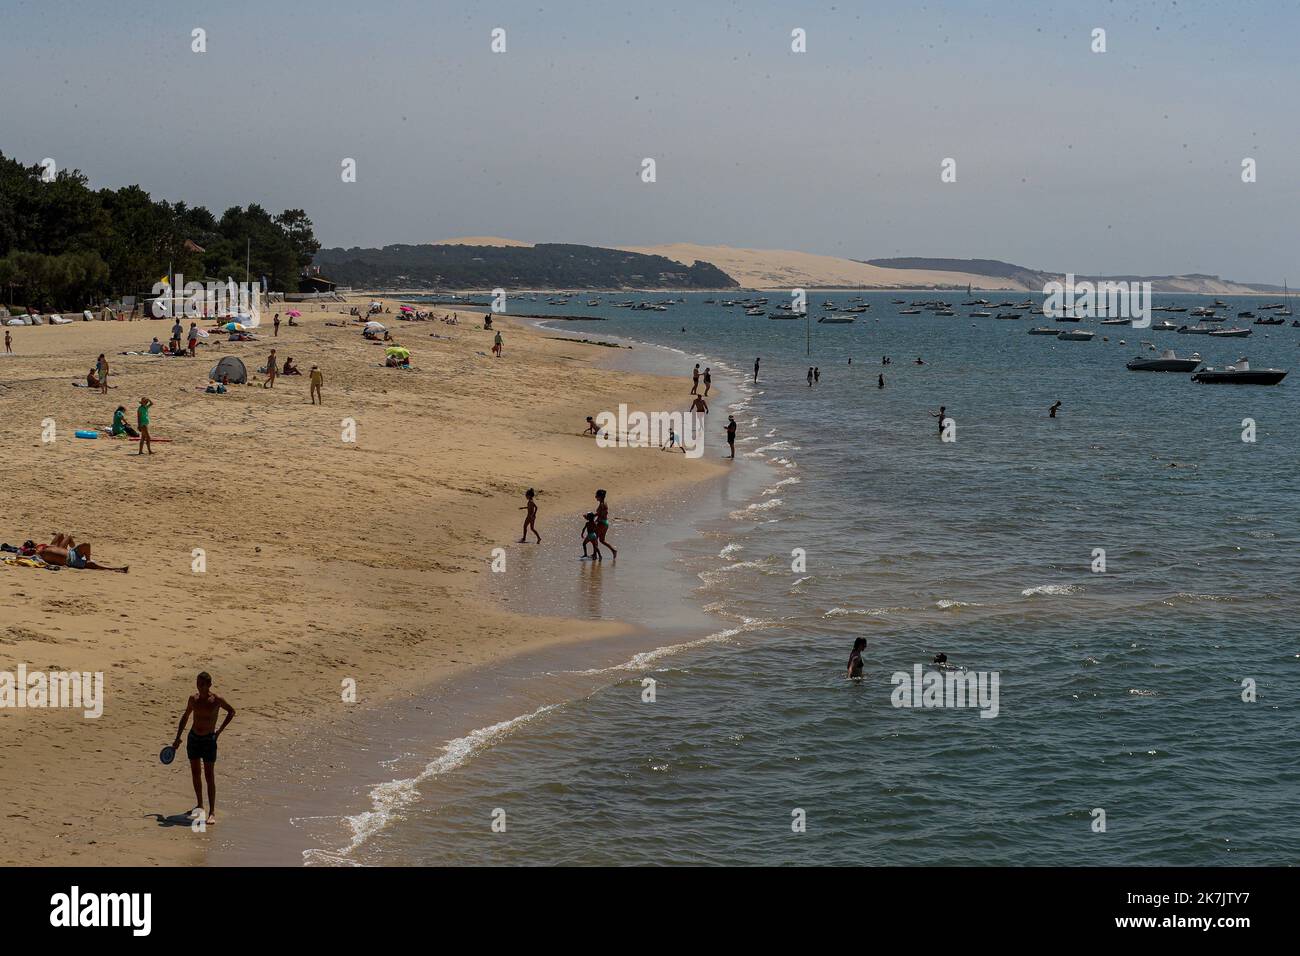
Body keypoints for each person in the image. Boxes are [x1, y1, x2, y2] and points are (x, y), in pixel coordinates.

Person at [171, 672, 235, 826]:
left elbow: (232, 712)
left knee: (209, 775)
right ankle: (200, 805)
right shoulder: (193, 699)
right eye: (198, 683)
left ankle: (212, 812)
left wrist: (219, 731)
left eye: (202, 684)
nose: (199, 686)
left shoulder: (216, 700)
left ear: (209, 685)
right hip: (193, 738)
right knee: (195, 773)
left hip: (208, 740)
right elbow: (186, 716)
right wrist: (178, 737)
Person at [33, 533, 128, 572]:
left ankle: (88, 559)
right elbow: (38, 562)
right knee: (94, 565)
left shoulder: (47, 547)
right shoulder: (39, 554)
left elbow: (60, 536)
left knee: (86, 544)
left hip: (71, 552)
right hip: (71, 560)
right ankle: (117, 569)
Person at [594, 489, 617, 559]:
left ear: (600, 497)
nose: (595, 497)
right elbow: (601, 514)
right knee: (601, 540)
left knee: (595, 539)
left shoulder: (602, 504)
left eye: (596, 496)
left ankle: (595, 555)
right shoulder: (604, 503)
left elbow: (601, 515)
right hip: (605, 523)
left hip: (602, 523)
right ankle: (613, 550)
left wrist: (596, 520)